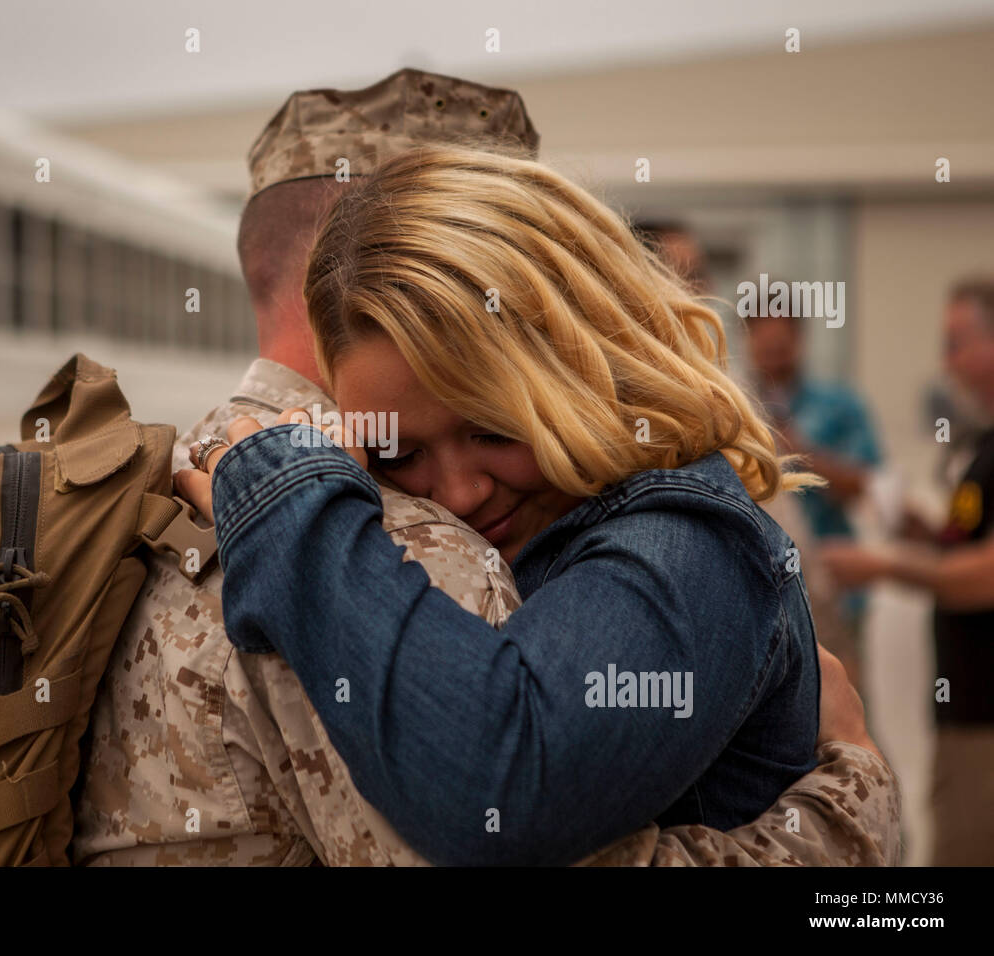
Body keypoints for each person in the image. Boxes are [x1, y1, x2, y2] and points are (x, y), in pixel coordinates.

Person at [75, 69, 900, 867]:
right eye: (398, 450)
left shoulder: (687, 538)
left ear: (581, 355)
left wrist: (291, 504)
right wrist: (845, 810)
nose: (460, 491)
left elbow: (501, 774)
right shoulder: (412, 533)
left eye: (496, 429)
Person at [822, 276, 994, 866]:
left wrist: (882, 566)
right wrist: (918, 532)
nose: (946, 363)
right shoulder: (981, 447)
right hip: (963, 711)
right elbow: (963, 546)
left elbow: (987, 575)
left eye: (957, 342)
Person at [744, 292, 884, 689]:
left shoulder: (840, 404)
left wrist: (798, 452)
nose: (771, 351)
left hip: (831, 586)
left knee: (848, 712)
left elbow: (868, 486)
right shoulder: (732, 404)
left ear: (799, 338)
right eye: (762, 340)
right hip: (761, 596)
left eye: (781, 342)